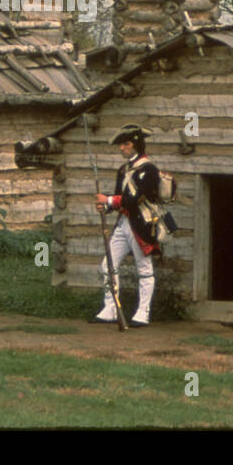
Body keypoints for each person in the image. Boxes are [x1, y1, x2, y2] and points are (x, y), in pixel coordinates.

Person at [91, 124, 161, 327]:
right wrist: (107, 207)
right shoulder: (123, 170)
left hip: (141, 226)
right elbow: (120, 197)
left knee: (144, 269)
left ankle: (143, 313)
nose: (122, 148)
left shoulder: (149, 169)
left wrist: (109, 201)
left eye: (126, 144)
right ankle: (111, 308)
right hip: (123, 224)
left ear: (136, 145)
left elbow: (136, 198)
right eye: (122, 144)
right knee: (108, 265)